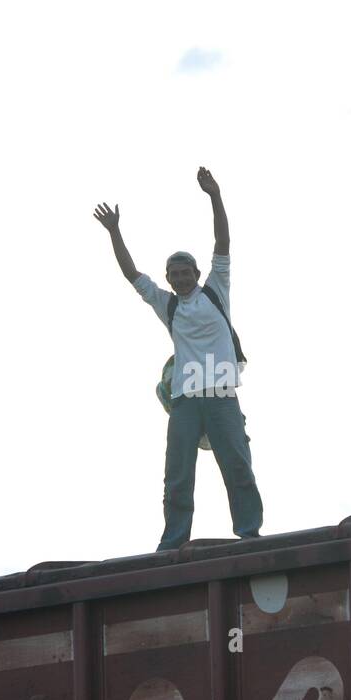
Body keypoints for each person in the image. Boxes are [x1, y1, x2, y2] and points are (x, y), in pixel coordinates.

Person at [93, 166, 264, 551]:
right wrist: (115, 231)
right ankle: (173, 540)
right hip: (186, 401)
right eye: (175, 274)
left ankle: (249, 530)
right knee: (178, 474)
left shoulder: (216, 290)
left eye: (187, 272)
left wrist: (214, 196)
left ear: (198, 273)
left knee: (237, 463)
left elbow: (223, 241)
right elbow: (131, 274)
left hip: (221, 394)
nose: (182, 278)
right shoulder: (167, 305)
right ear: (169, 279)